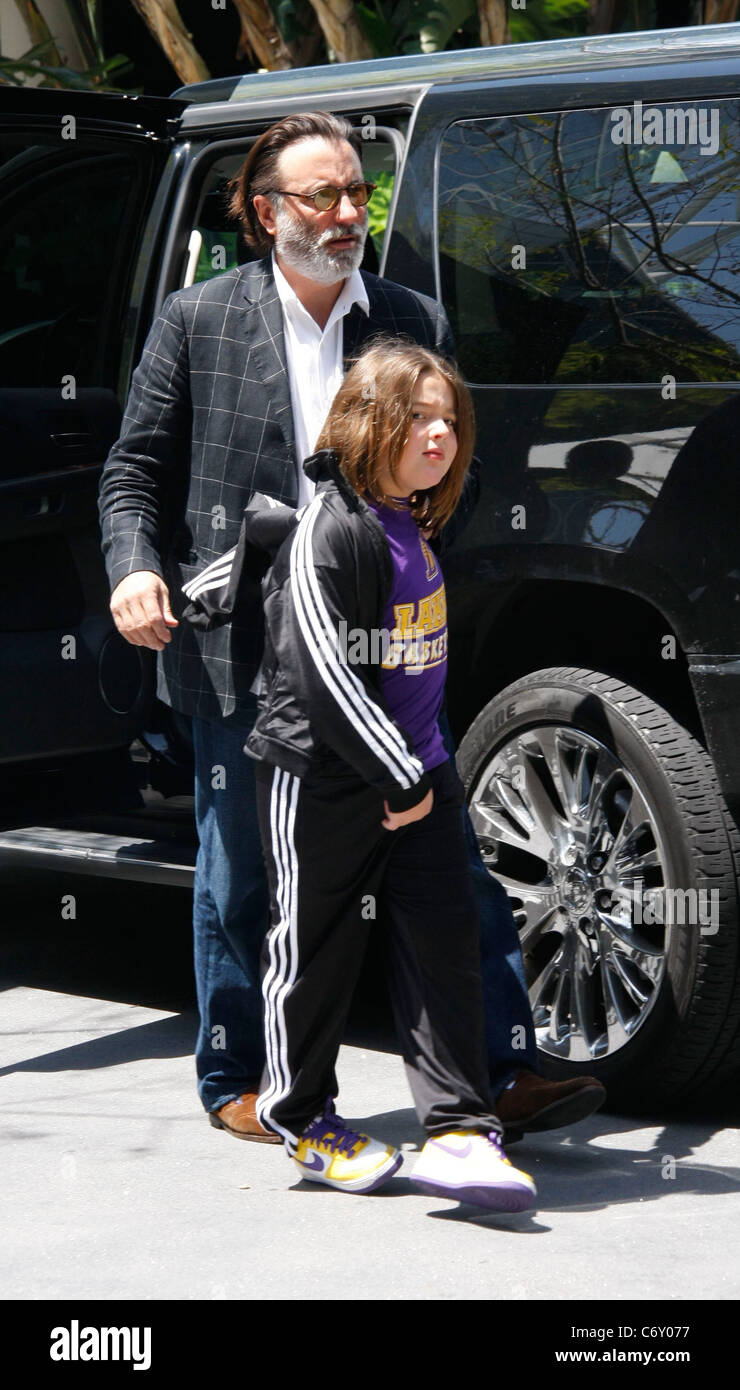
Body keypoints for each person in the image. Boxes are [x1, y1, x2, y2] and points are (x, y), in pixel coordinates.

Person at [98, 110, 604, 1145]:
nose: (344, 215)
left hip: (380, 647)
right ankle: (238, 1075)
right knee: (245, 873)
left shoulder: (407, 319)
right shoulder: (199, 319)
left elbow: (446, 464)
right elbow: (133, 470)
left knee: (444, 863)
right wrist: (134, 570)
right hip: (241, 652)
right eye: (320, 195)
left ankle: (497, 1068)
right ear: (261, 210)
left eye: (354, 195)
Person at [244, 337, 537, 1209]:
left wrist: (420, 779)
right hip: (330, 779)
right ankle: (302, 1118)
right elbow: (324, 676)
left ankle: (457, 1129)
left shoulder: (421, 515)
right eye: (419, 418)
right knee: (315, 949)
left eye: (450, 420)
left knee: (444, 947)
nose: (441, 435)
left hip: (421, 773)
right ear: (372, 423)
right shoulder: (329, 533)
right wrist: (395, 779)